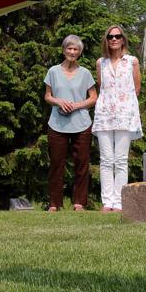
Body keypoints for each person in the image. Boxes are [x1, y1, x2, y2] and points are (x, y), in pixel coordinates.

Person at [43, 35, 97, 212]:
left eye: (76, 49)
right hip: (57, 124)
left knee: (81, 164)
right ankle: (54, 204)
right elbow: (47, 96)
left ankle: (79, 203)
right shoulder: (53, 71)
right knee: (56, 164)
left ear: (79, 53)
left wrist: (76, 105)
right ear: (64, 50)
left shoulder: (85, 73)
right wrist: (58, 101)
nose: (72, 52)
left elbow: (93, 98)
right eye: (69, 48)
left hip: (81, 124)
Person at [91, 25, 142, 212]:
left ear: (123, 39)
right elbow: (102, 87)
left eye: (117, 36)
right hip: (104, 114)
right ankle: (107, 202)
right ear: (106, 40)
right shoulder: (100, 63)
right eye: (110, 37)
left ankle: (119, 202)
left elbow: (136, 88)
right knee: (106, 160)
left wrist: (125, 105)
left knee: (120, 160)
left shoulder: (132, 61)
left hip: (125, 114)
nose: (114, 39)